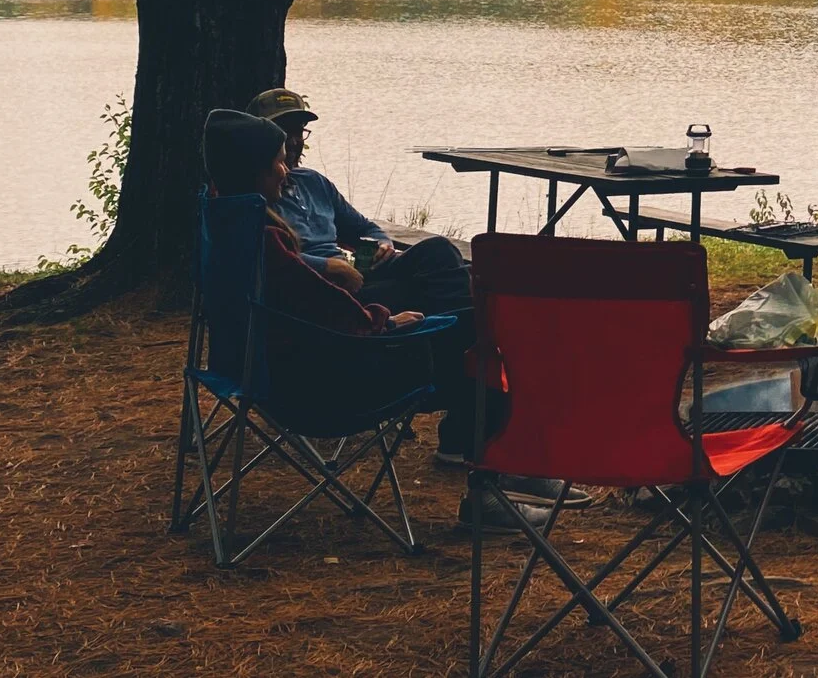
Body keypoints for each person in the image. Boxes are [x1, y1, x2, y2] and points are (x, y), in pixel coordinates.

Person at [200, 108, 583, 529]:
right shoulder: (267, 243)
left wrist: (376, 311)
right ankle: (494, 482)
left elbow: (315, 305)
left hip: (270, 369)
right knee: (477, 333)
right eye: (276, 160)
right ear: (252, 169)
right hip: (321, 381)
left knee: (454, 295)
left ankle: (505, 462)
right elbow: (322, 306)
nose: (285, 171)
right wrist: (385, 323)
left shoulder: (228, 226)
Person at [244, 88, 472, 319]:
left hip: (354, 276)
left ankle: (462, 334)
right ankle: (465, 339)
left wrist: (382, 245)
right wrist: (329, 266)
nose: (293, 142)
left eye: (298, 132)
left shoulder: (313, 182)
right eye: (284, 132)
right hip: (320, 292)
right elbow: (265, 257)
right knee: (430, 290)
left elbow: (364, 228)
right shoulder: (254, 196)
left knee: (439, 251)